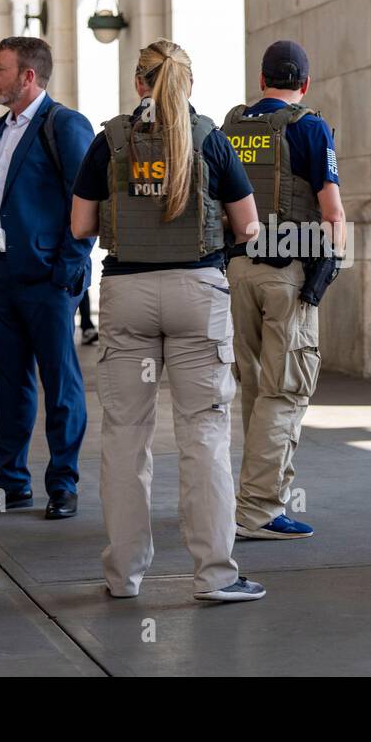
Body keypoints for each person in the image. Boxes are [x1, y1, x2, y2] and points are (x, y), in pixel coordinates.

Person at [70, 38, 265, 602]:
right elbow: (249, 226)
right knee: (203, 435)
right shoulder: (210, 139)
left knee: (125, 436)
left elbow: (81, 226)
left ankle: (123, 576)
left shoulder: (109, 141)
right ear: (189, 83)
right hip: (197, 292)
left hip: (127, 291)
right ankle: (215, 577)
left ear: (138, 84)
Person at [0, 37, 94, 520]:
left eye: (0, 68)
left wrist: (67, 268)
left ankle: (63, 483)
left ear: (28, 76)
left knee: (60, 384)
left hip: (46, 280)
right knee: (9, 382)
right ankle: (11, 483)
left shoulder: (65, 125)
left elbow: (89, 203)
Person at [220, 40, 345, 540]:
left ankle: (259, 498)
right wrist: (329, 264)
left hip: (237, 272)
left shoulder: (231, 128)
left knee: (257, 387)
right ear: (305, 84)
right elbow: (332, 211)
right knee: (287, 389)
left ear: (261, 79)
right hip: (285, 273)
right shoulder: (310, 127)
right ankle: (258, 511)